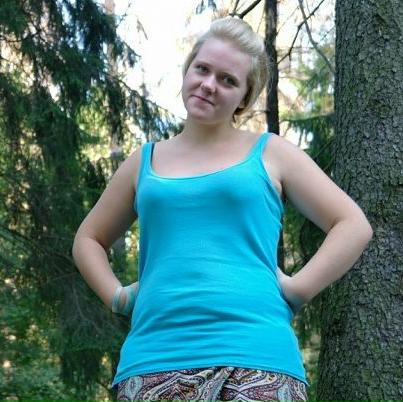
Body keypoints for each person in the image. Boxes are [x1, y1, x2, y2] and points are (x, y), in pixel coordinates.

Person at [72, 17, 372, 402]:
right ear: (187, 71)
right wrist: (118, 297)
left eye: (228, 80)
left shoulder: (272, 153)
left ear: (244, 97)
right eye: (202, 69)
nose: (209, 84)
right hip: (153, 361)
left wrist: (299, 288)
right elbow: (88, 238)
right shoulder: (143, 161)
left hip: (258, 360)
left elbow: (352, 224)